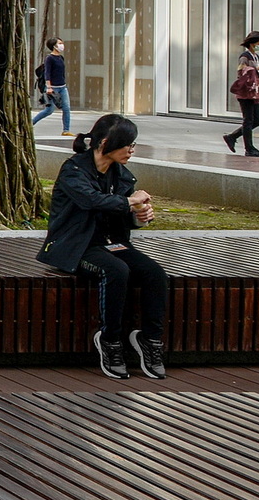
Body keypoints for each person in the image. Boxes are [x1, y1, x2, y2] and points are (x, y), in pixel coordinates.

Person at [38, 114, 167, 381]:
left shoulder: (122, 176)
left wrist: (138, 218)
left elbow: (120, 214)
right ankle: (110, 341)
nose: (132, 150)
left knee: (155, 273)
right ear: (106, 142)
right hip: (74, 246)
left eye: (134, 145)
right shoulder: (74, 170)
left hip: (111, 243)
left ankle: (150, 340)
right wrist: (130, 202)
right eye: (128, 144)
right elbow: (92, 201)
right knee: (116, 271)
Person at [223, 30, 259, 156]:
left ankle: (232, 137)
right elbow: (242, 72)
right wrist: (258, 69)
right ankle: (249, 148)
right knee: (248, 120)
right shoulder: (245, 56)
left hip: (253, 92)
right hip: (245, 92)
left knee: (257, 120)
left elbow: (254, 73)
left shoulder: (255, 56)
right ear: (253, 43)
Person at [30, 38, 70, 132]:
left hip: (62, 87)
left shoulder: (61, 58)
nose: (62, 45)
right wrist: (48, 87)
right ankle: (31, 123)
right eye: (60, 43)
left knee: (66, 108)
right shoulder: (49, 58)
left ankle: (66, 130)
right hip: (52, 88)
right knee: (49, 110)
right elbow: (47, 73)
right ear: (54, 46)